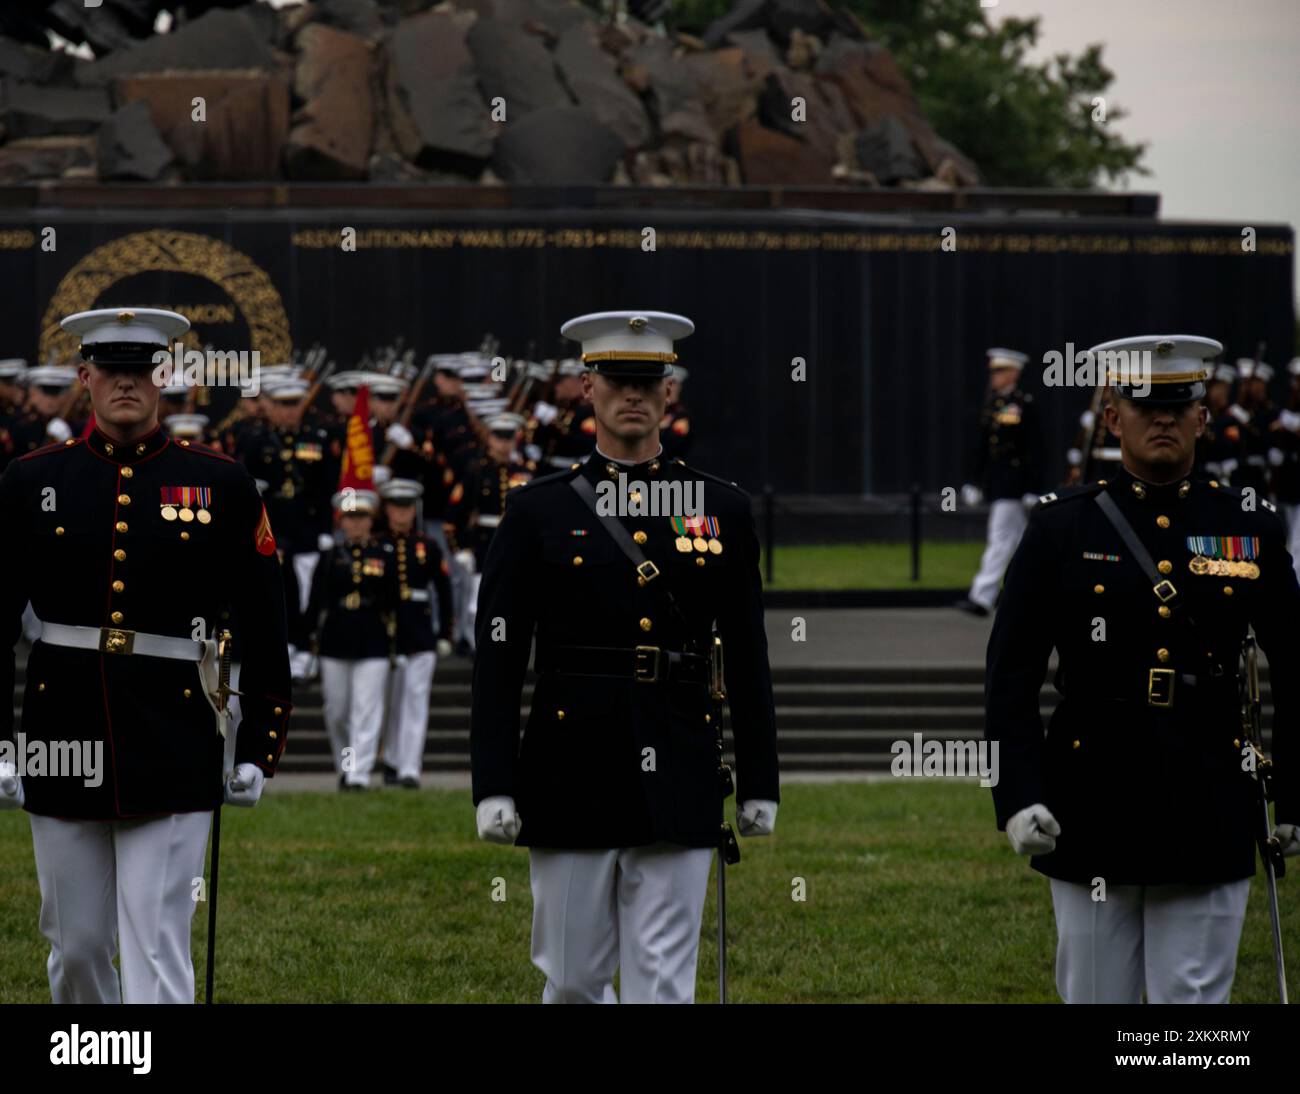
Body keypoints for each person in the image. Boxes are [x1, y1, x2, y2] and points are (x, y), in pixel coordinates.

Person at [471, 309, 780, 1004]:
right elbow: (498, 658)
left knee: (664, 983)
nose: (632, 395)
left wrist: (761, 780)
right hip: (570, 762)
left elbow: (748, 655)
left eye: (649, 380)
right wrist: (493, 782)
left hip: (680, 757)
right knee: (574, 975)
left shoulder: (720, 509)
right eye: (617, 380)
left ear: (670, 392)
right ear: (588, 388)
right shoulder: (537, 512)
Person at [984, 333, 1300, 1004]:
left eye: (1178, 405)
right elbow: (1011, 674)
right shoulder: (1061, 528)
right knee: (1096, 994)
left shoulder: (1249, 526)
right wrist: (1017, 794)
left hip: (1210, 794)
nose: (1162, 419)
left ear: (1202, 417)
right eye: (1143, 405)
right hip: (1092, 795)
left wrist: (1293, 795)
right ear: (1112, 417)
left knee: (1189, 1002)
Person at [0, 307, 292, 1004]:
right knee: (75, 947)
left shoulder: (221, 483)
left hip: (176, 734)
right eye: (111, 370)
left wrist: (258, 745)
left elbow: (264, 620)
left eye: (140, 370)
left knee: (155, 936)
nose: (125, 384)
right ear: (85, 378)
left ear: (162, 377)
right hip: (61, 731)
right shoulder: (30, 480)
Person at [306, 487, 397, 791]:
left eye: (361, 517)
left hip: (372, 636)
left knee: (366, 708)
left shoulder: (384, 555)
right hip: (337, 635)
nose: (356, 523)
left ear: (371, 520)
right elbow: (316, 601)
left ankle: (359, 773)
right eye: (350, 517)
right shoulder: (330, 556)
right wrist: (306, 643)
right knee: (337, 710)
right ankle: (346, 765)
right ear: (341, 521)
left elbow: (395, 599)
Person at [377, 478, 453, 788]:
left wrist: (446, 631)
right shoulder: (376, 544)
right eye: (396, 507)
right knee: (389, 700)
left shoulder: (428, 545)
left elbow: (444, 590)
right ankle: (392, 760)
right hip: (386, 632)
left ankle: (410, 766)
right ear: (387, 509)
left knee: (415, 699)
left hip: (420, 631)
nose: (401, 513)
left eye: (407, 507)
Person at [956, 348, 1043, 616]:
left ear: (1014, 373)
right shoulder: (993, 404)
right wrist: (974, 482)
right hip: (999, 483)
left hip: (1014, 485)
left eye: (1000, 370)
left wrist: (1033, 488)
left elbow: (1035, 448)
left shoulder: (1024, 404)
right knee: (1021, 543)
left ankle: (982, 596)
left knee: (1001, 538)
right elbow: (984, 447)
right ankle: (1036, 595)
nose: (995, 376)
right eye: (994, 371)